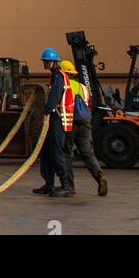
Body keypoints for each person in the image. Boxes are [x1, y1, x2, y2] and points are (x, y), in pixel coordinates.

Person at [60, 59, 107, 196]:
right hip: (85, 123)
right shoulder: (83, 87)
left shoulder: (64, 86)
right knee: (87, 153)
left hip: (70, 123)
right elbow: (89, 106)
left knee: (66, 153)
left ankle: (69, 186)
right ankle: (100, 176)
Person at [33, 47, 75, 197]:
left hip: (57, 119)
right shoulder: (55, 76)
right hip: (53, 118)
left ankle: (66, 185)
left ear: (52, 62)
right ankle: (48, 183)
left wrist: (46, 110)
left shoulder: (59, 76)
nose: (44, 64)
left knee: (57, 152)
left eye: (46, 62)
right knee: (46, 152)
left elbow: (55, 97)